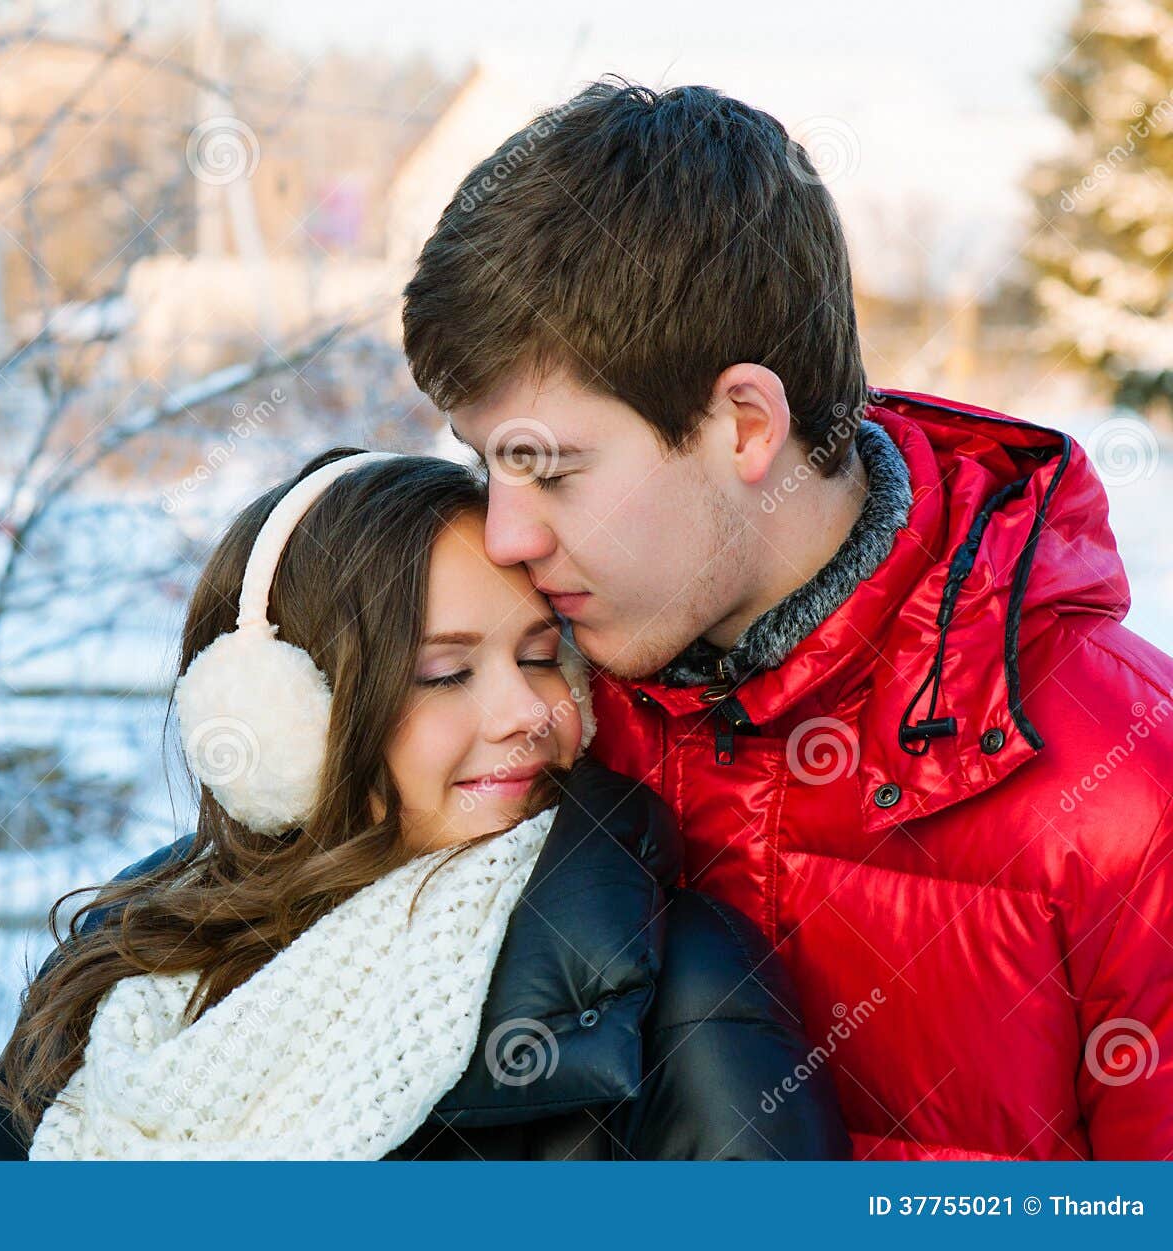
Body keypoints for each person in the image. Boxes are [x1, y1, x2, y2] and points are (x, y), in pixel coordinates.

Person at [400, 78, 1173, 1159]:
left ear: (745, 424)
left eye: (553, 471)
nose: (506, 536)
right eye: (487, 466)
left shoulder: (1129, 796)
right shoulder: (525, 708)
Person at [0, 450, 850, 1161]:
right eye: (445, 674)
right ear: (288, 717)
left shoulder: (685, 981)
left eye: (542, 657)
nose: (527, 713)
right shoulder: (127, 956)